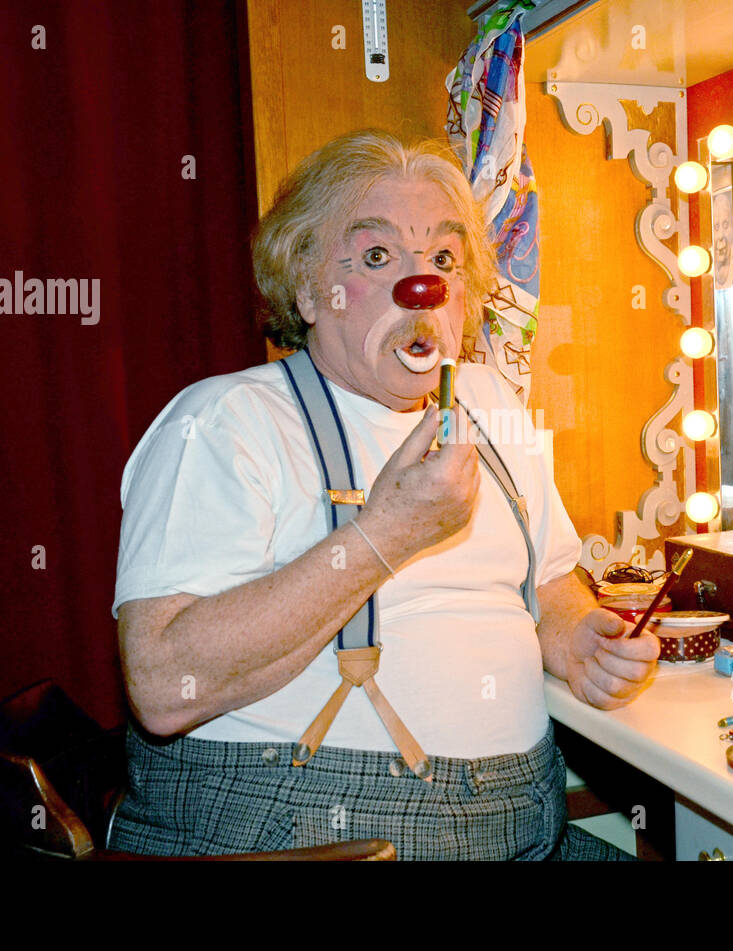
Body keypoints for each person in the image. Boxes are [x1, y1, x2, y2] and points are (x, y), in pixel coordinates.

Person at [108, 129, 660, 860]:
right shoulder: (224, 421)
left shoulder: (493, 404)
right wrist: (382, 535)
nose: (420, 286)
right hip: (314, 832)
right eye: (376, 257)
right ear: (307, 287)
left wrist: (578, 635)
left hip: (524, 818)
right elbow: (161, 684)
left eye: (442, 259)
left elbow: (551, 582)